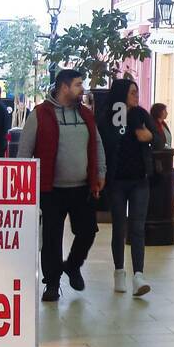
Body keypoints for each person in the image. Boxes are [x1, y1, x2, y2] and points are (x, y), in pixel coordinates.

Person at [18, 69, 106, 302]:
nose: (82, 89)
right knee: (52, 240)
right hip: (51, 189)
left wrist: (100, 171)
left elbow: (97, 143)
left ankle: (73, 265)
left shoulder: (85, 114)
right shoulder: (40, 114)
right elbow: (25, 150)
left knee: (87, 231)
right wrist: (23, 183)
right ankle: (52, 283)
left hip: (82, 187)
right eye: (78, 85)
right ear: (64, 87)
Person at [97, 78, 155, 297]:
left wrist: (149, 136)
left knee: (137, 228)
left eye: (137, 92)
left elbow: (158, 138)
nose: (136, 96)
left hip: (140, 179)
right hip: (117, 181)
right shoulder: (108, 116)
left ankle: (138, 275)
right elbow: (103, 142)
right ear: (121, 94)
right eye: (132, 93)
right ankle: (119, 271)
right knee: (119, 227)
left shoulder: (141, 114)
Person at [150, 102, 174, 223]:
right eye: (165, 110)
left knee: (170, 187)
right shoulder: (153, 124)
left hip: (166, 159)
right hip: (159, 161)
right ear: (160, 112)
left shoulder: (163, 124)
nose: (167, 113)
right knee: (167, 188)